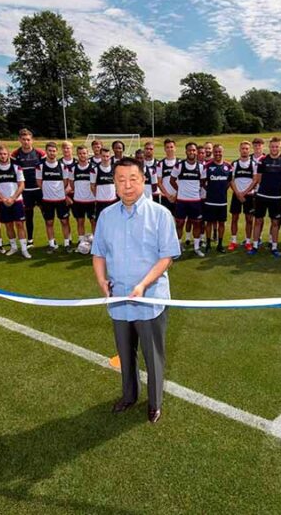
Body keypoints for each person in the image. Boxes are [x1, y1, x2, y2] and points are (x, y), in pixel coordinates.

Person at [91, 157, 181, 424]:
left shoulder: (160, 214)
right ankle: (129, 395)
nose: (127, 185)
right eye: (121, 180)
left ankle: (154, 403)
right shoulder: (106, 216)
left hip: (150, 300)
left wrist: (143, 284)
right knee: (125, 353)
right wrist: (100, 280)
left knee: (153, 356)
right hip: (119, 301)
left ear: (143, 180)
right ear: (114, 184)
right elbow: (98, 253)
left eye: (133, 179)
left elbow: (167, 257)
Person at [0, 144, 31, 259]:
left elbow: (22, 185)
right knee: (8, 225)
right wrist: (3, 199)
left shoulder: (16, 167)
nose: (3, 156)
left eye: (5, 154)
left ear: (8, 154)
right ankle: (13, 247)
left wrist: (13, 198)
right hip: (3, 201)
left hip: (16, 200)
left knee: (19, 224)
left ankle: (24, 249)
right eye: (0, 154)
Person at [248, 137, 281, 257]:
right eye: (272, 146)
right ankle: (255, 246)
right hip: (262, 196)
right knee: (258, 221)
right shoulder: (262, 160)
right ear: (269, 147)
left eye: (277, 146)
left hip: (276, 198)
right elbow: (258, 178)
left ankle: (274, 247)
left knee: (275, 222)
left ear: (280, 147)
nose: (274, 148)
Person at [170, 142, 206, 257]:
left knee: (196, 224)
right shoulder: (179, 165)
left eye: (194, 150)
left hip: (195, 201)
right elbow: (172, 180)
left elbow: (203, 182)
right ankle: (178, 246)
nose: (192, 152)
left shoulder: (201, 167)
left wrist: (195, 190)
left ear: (196, 152)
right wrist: (180, 190)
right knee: (179, 224)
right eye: (189, 150)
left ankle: (196, 247)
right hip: (181, 201)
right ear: (186, 152)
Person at [10, 129, 46, 247]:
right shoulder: (15, 155)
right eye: (24, 139)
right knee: (28, 217)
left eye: (28, 139)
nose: (26, 142)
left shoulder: (40, 154)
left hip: (40, 190)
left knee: (47, 216)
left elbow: (46, 170)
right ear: (20, 140)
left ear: (32, 140)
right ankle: (30, 240)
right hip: (25, 192)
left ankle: (51, 240)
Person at [37, 143, 72, 253]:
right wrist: (49, 191)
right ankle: (52, 244)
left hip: (61, 200)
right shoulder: (40, 166)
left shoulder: (63, 167)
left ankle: (67, 243)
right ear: (46, 151)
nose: (52, 153)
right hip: (47, 200)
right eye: (49, 151)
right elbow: (39, 183)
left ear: (57, 152)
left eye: (53, 151)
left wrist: (59, 193)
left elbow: (65, 182)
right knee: (49, 222)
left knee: (64, 221)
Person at [228, 140, 257, 251]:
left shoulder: (254, 164)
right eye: (242, 148)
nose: (244, 150)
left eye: (246, 149)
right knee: (234, 218)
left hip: (249, 196)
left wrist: (244, 193)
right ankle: (233, 241)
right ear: (239, 150)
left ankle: (248, 241)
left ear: (249, 150)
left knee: (249, 220)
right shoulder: (234, 164)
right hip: (237, 195)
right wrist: (238, 193)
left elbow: (255, 181)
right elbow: (231, 180)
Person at [203, 144, 232, 253]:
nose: (217, 154)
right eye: (216, 152)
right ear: (213, 153)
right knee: (209, 223)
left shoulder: (228, 166)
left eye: (219, 151)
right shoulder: (207, 166)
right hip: (210, 200)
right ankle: (208, 244)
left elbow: (229, 181)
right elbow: (203, 182)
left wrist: (222, 190)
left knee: (221, 223)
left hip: (222, 201)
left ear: (222, 152)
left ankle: (220, 244)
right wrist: (210, 189)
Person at [68, 146, 97, 245]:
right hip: (78, 200)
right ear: (77, 154)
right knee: (80, 221)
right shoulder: (73, 168)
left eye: (84, 153)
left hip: (91, 200)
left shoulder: (93, 168)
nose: (82, 155)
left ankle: (96, 242)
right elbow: (71, 184)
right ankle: (81, 241)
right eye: (80, 153)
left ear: (88, 154)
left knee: (93, 221)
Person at [92, 147, 118, 222]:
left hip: (113, 201)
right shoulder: (95, 169)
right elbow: (92, 186)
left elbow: (117, 184)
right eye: (103, 156)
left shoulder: (115, 169)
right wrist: (99, 196)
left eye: (107, 156)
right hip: (100, 202)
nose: (105, 158)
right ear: (100, 156)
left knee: (113, 222)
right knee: (100, 223)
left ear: (110, 156)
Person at [156, 139, 179, 216]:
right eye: (167, 147)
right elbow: (159, 182)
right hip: (165, 197)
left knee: (178, 221)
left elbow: (182, 182)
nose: (170, 149)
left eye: (171, 147)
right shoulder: (160, 164)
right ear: (164, 149)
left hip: (178, 196)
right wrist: (168, 195)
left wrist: (176, 195)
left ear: (175, 148)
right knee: (165, 220)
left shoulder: (180, 163)